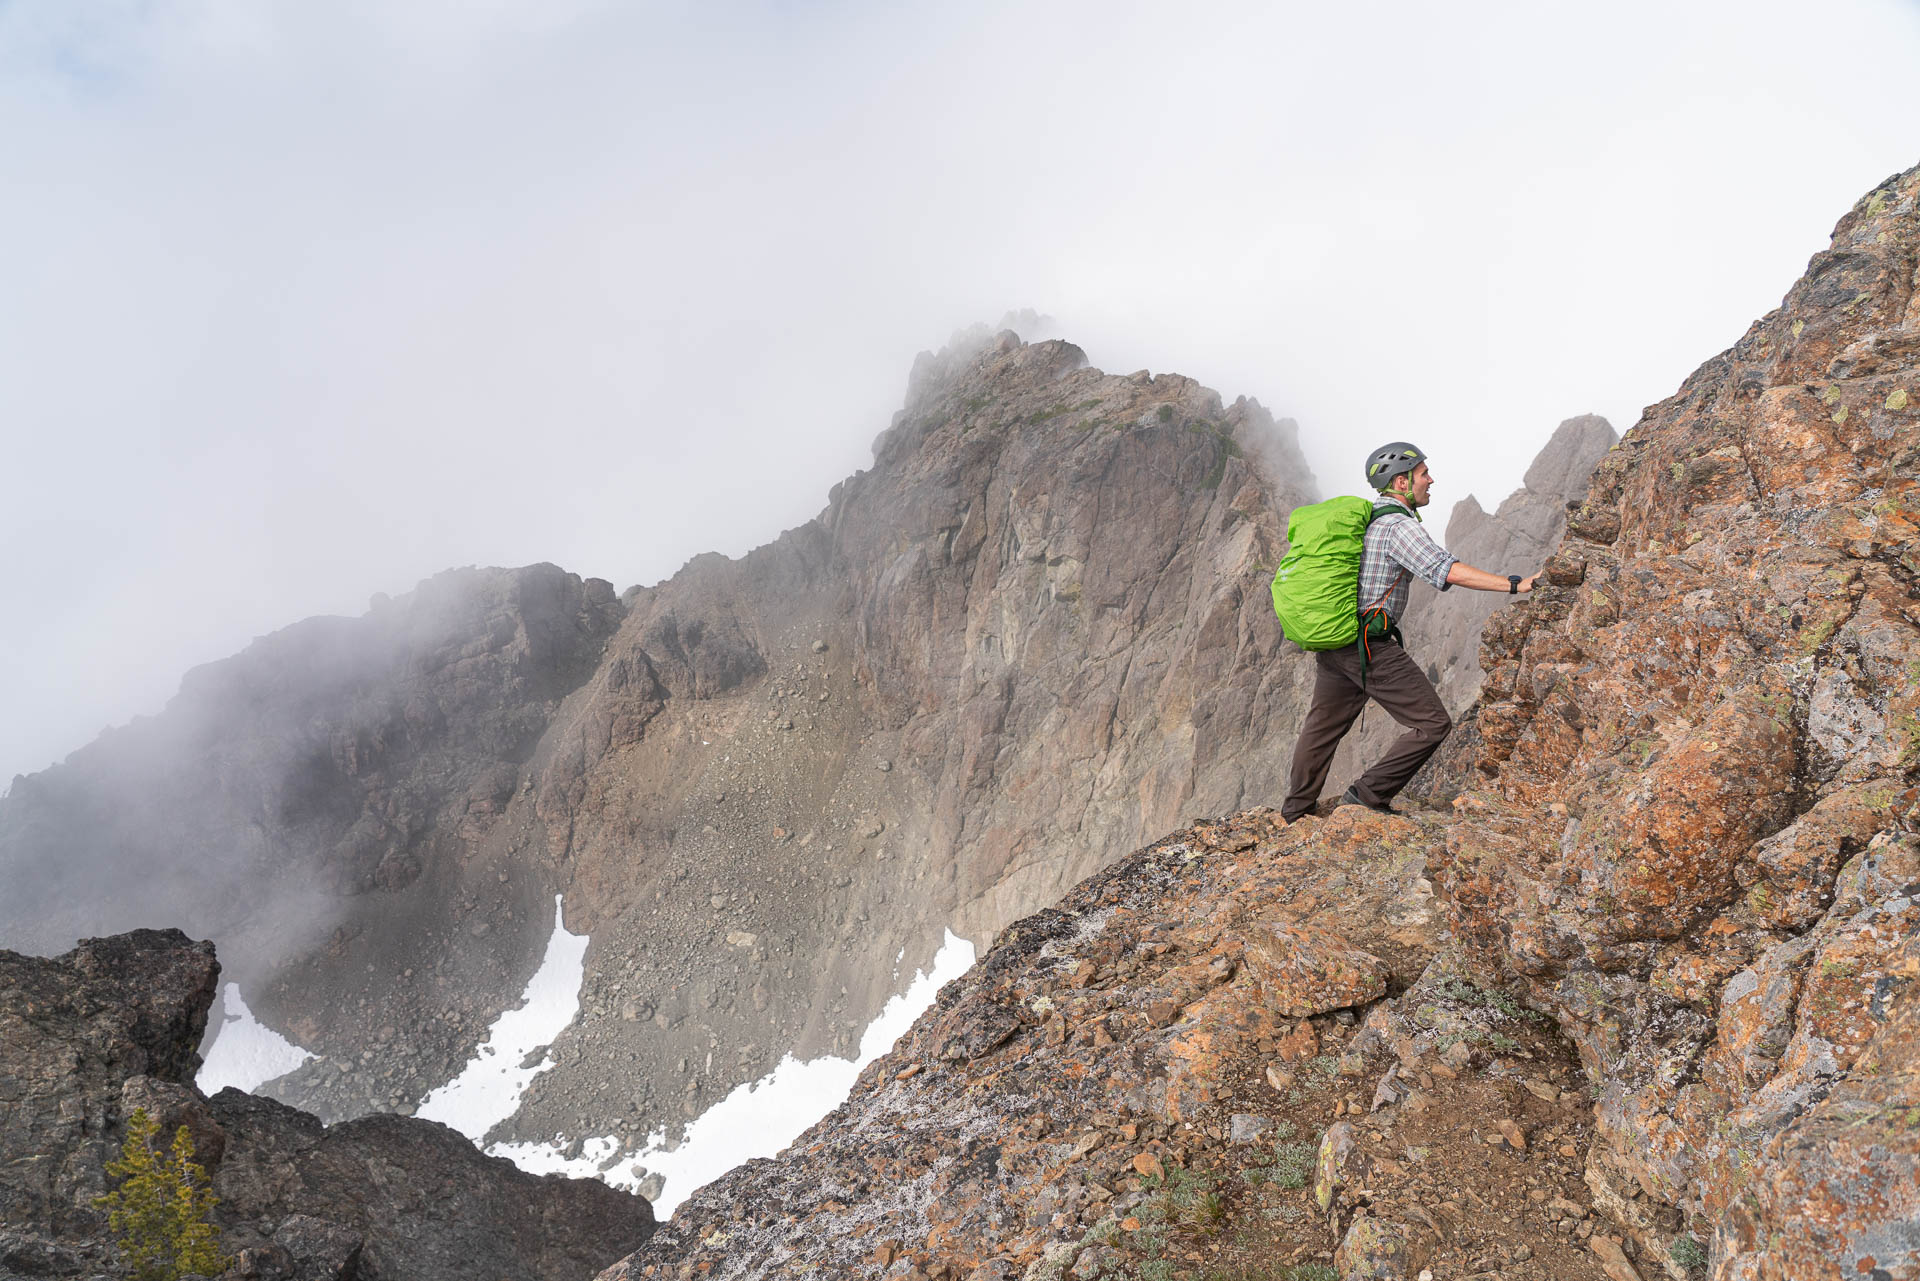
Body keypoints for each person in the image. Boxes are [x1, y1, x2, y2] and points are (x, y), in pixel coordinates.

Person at [1280, 442, 1538, 821]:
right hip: (1368, 646)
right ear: (1401, 482)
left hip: (1338, 642)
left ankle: (1295, 812)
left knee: (1321, 730)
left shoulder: (1370, 521)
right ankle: (1366, 796)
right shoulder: (1398, 527)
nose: (1430, 480)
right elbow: (1445, 569)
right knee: (1433, 723)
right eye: (1422, 474)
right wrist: (1517, 585)